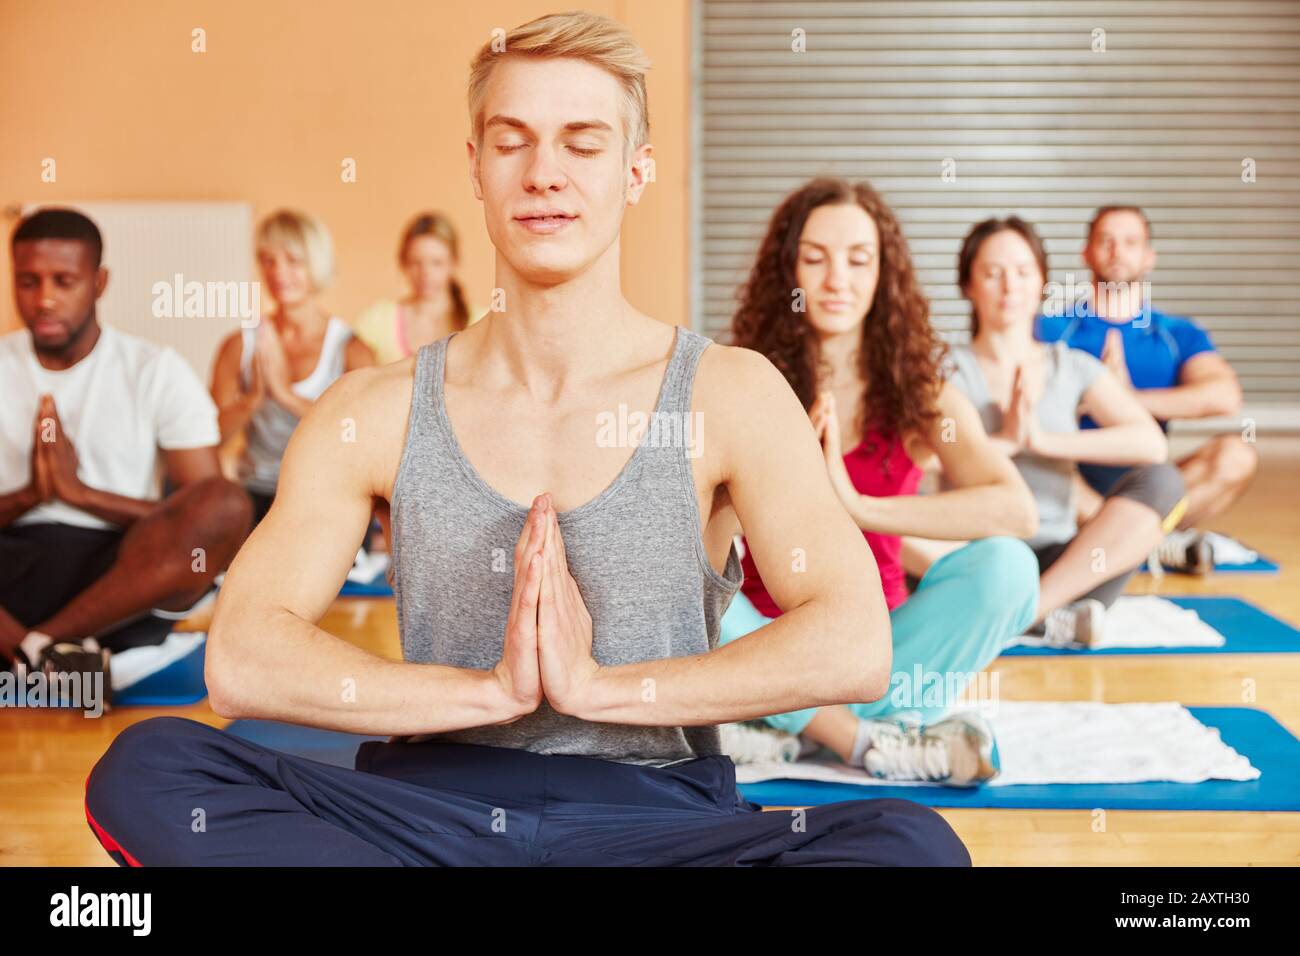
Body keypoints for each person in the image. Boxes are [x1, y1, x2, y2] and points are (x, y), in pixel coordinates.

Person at [83, 12, 969, 867]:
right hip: (425, 808)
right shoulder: (378, 406)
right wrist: (485, 693)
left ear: (636, 168)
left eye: (582, 143)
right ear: (475, 166)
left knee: (910, 845)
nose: (545, 172)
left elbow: (854, 641)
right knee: (150, 766)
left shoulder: (729, 392)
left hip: (653, 814)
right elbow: (240, 658)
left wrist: (598, 690)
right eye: (513, 142)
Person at [717, 178, 1041, 787]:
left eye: (858, 260)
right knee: (677, 574)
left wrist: (858, 505)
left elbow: (1015, 510)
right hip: (767, 644)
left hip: (879, 656)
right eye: (814, 259)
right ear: (786, 272)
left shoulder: (921, 397)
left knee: (1010, 566)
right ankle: (863, 740)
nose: (837, 279)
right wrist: (769, 476)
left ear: (883, 273)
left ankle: (781, 724)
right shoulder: (743, 382)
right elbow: (699, 535)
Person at [0, 208, 250, 680]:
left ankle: (36, 647)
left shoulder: (155, 369)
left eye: (64, 281)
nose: (45, 300)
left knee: (226, 503)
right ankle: (44, 657)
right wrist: (31, 496)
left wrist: (80, 495)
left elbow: (206, 512)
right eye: (29, 281)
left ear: (99, 282)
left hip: (119, 581)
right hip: (10, 572)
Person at [945, 217, 1188, 646]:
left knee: (1164, 482)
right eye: (992, 273)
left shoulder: (1070, 366)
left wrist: (1041, 442)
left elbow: (1150, 442)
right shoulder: (944, 370)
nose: (1009, 286)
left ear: (1041, 281)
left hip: (1063, 563)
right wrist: (1002, 443)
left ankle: (1027, 614)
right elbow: (919, 459)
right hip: (976, 557)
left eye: (1023, 272)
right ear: (968, 285)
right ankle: (1045, 619)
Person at [1036, 205, 1257, 572]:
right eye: (1106, 241)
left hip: (1149, 484)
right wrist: (1088, 398)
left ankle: (1134, 541)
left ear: (1149, 257)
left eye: (1130, 242)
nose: (1117, 251)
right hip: (1070, 482)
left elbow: (1224, 396)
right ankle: (1149, 544)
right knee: (1032, 466)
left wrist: (1124, 400)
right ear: (1086, 252)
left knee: (1237, 455)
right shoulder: (1052, 329)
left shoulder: (1177, 333)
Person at [210, 209, 376, 528]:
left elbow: (360, 442)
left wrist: (285, 396)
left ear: (317, 265)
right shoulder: (238, 345)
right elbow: (210, 437)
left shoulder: (351, 350)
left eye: (292, 261)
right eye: (268, 260)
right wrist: (251, 401)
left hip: (324, 494)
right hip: (257, 492)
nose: (278, 273)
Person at [354, 212, 485, 365]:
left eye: (436, 263)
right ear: (403, 263)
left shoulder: (480, 322)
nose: (426, 273)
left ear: (453, 263)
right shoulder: (376, 321)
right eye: (416, 262)